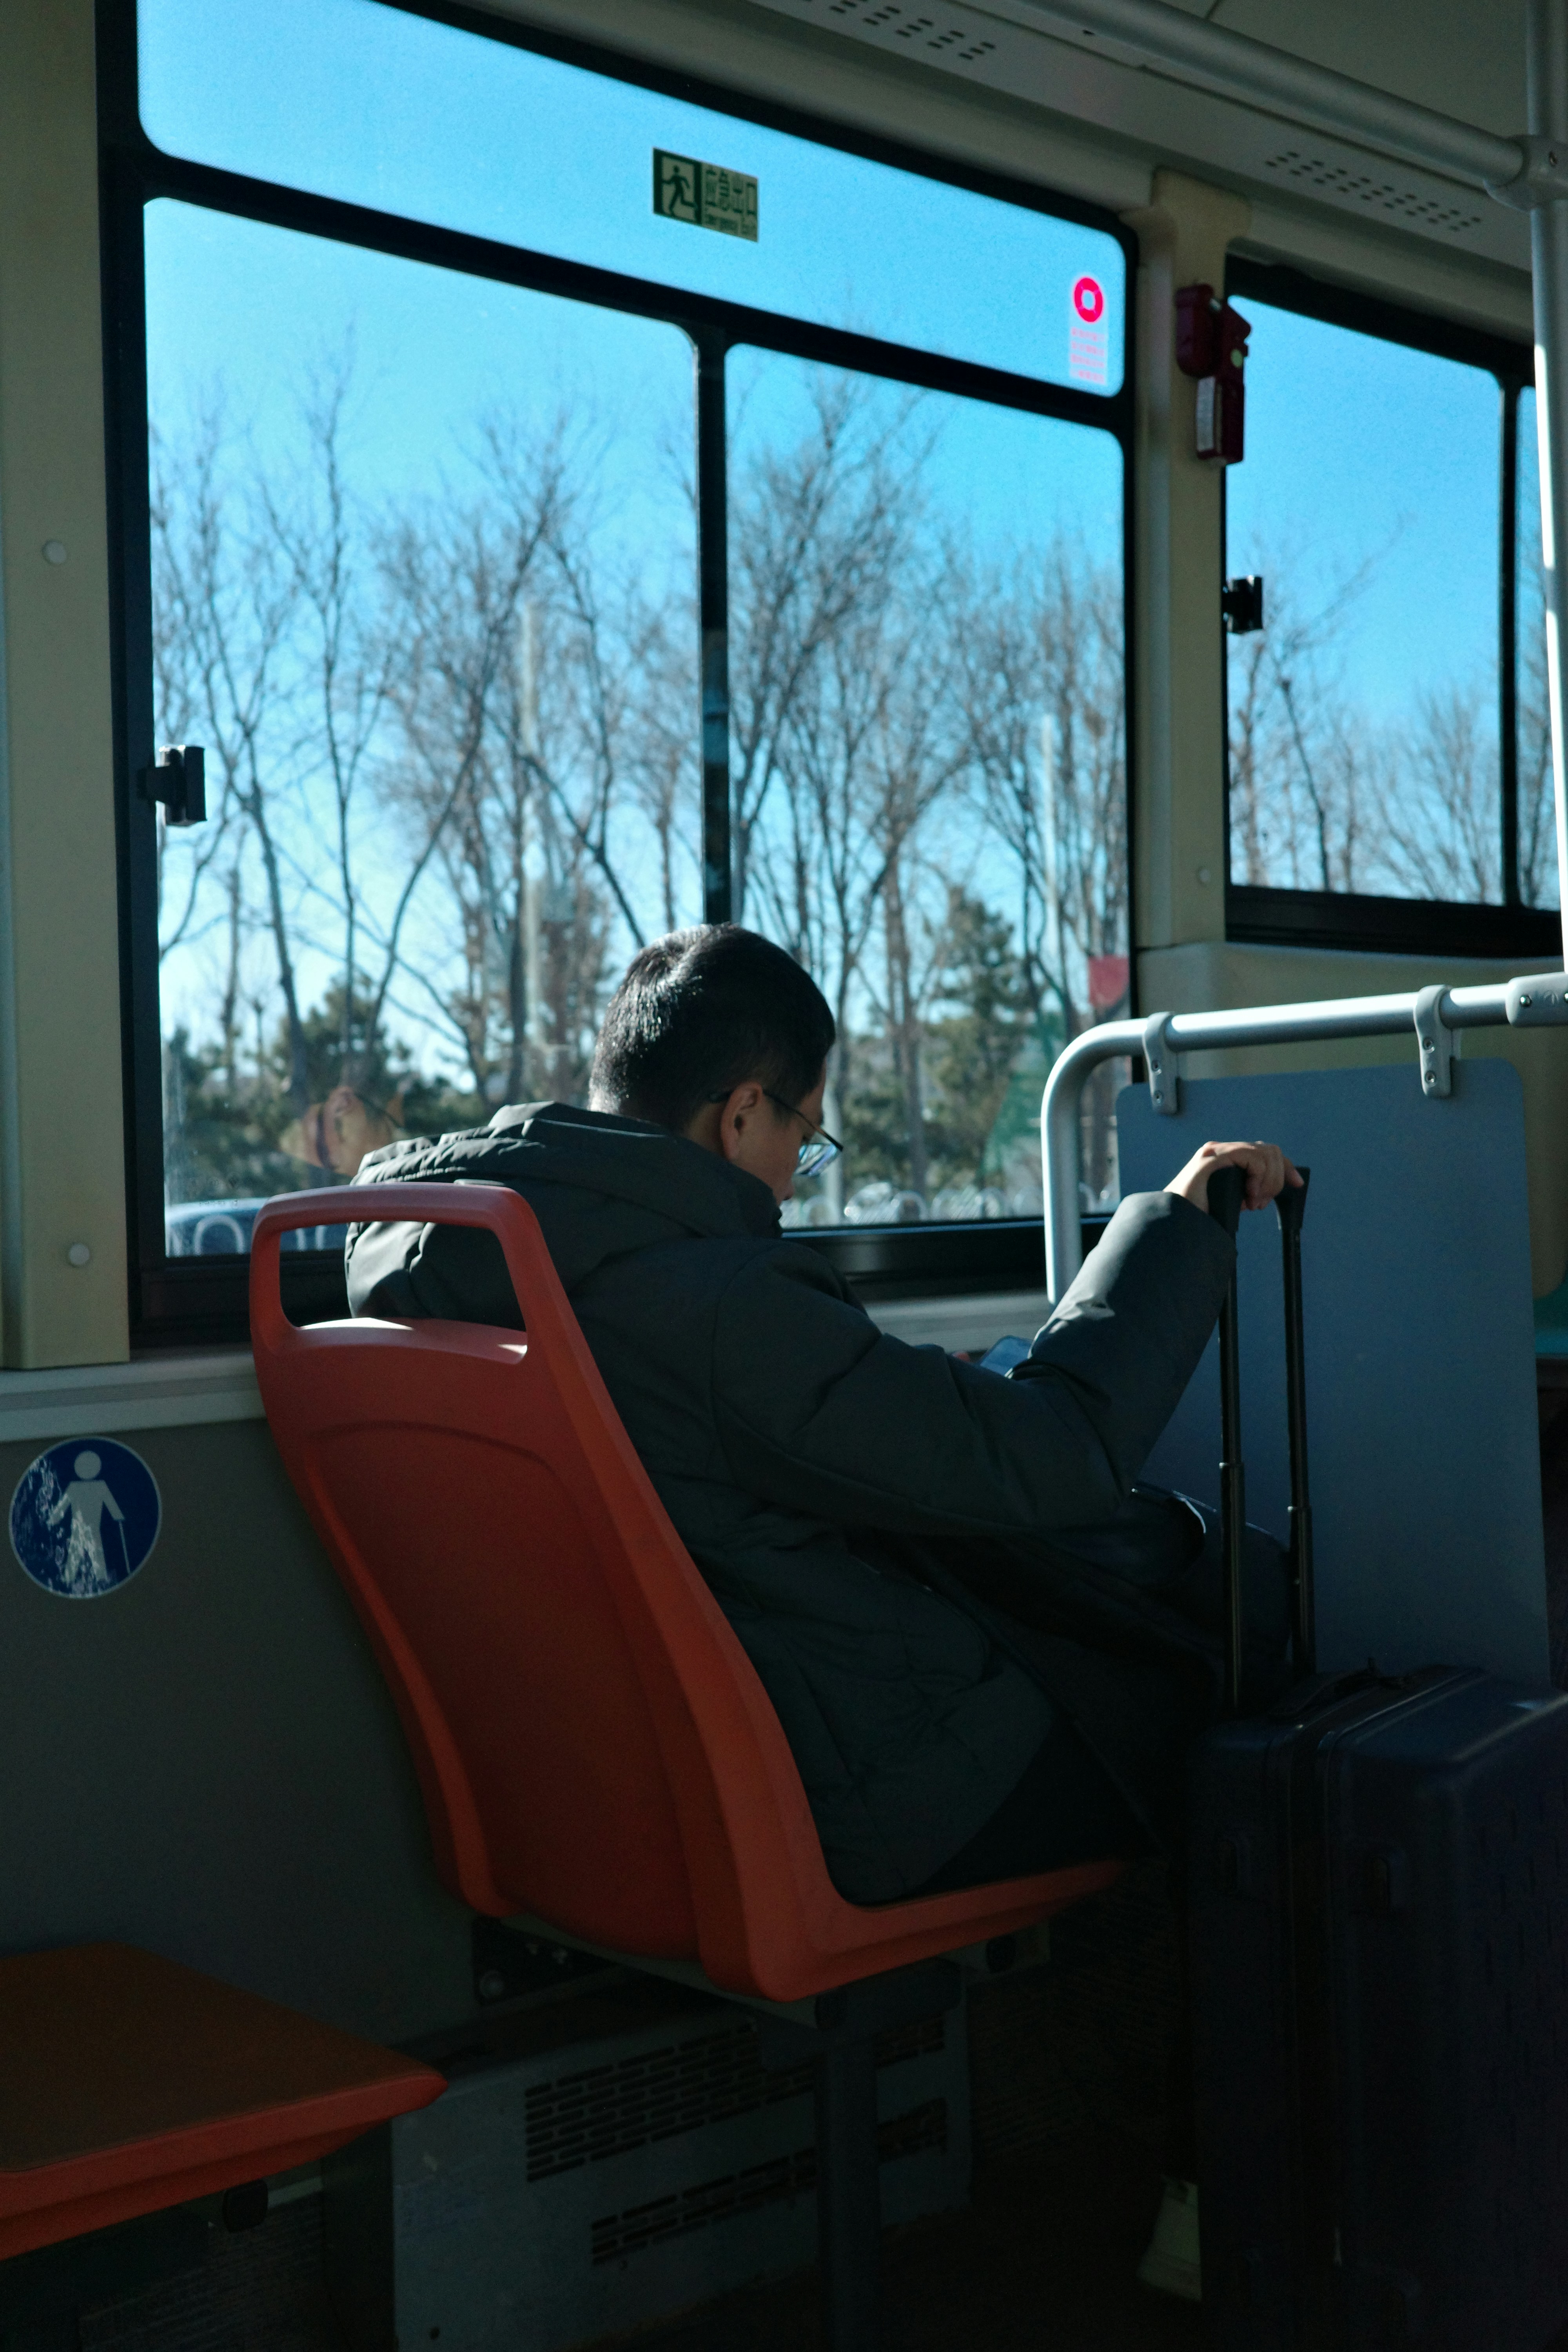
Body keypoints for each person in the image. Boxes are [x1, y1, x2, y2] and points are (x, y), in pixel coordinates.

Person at [347, 923, 1298, 2298]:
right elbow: (1054, 1459)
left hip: (594, 1793)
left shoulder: (444, 1265)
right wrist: (1176, 1222)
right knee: (1243, 1706)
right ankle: (1218, 2207)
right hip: (855, 1787)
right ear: (739, 1115)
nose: (798, 1171)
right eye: (804, 1131)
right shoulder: (719, 1300)